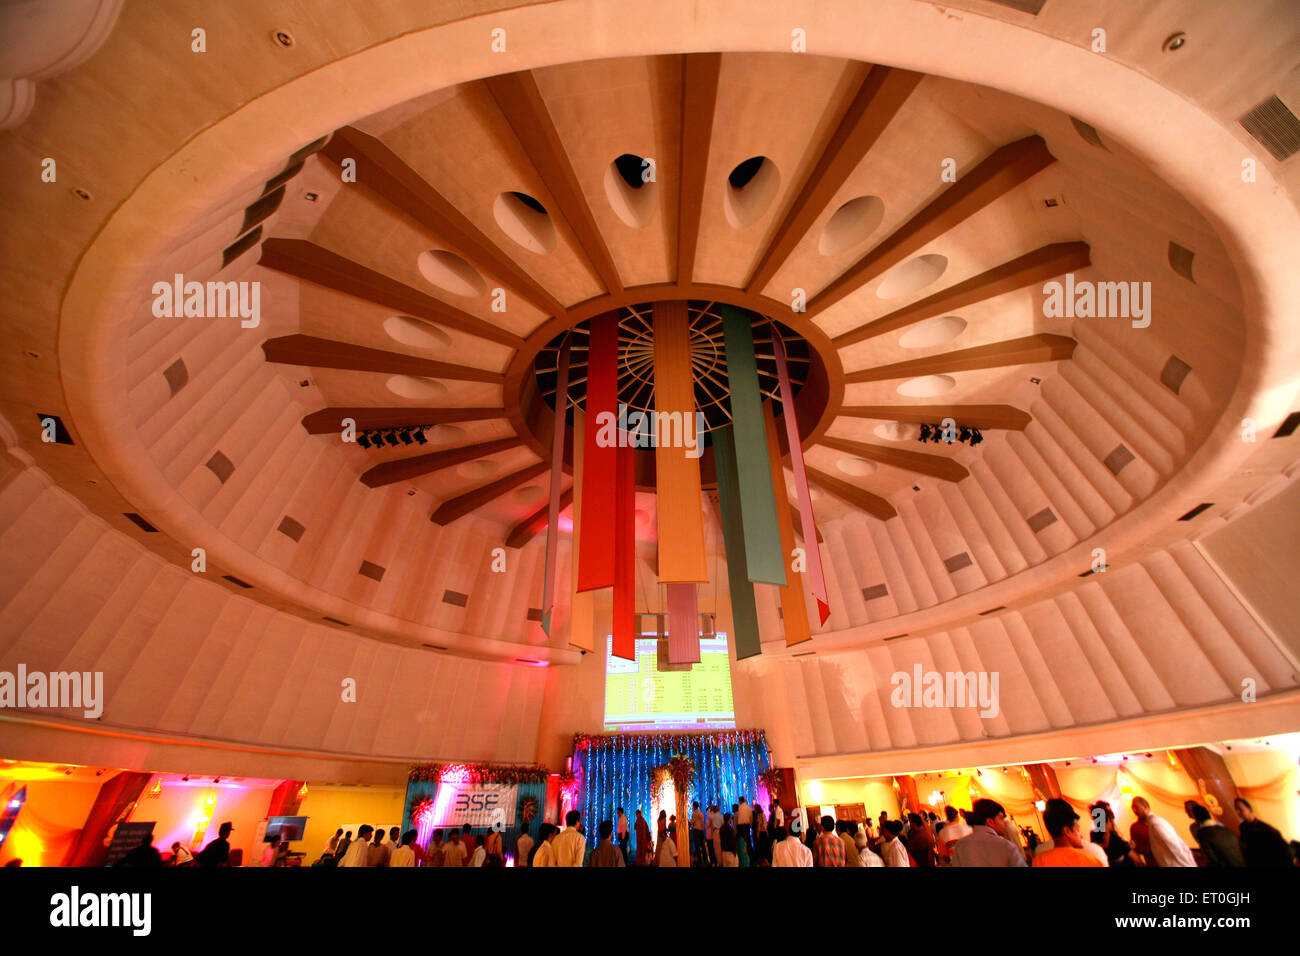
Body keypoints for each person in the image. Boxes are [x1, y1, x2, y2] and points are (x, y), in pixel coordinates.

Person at [950, 800, 1027, 867]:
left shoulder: (961, 846)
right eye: (1001, 818)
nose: (1004, 823)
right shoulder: (1007, 847)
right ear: (990, 822)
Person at [1032, 799, 1104, 867]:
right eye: (1078, 830)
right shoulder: (1091, 861)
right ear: (1067, 831)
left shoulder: (1039, 861)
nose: (1081, 836)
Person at [1131, 797, 1195, 867]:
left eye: (1136, 807)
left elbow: (1173, 845)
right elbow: (1137, 848)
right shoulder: (1135, 828)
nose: (1134, 810)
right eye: (1133, 808)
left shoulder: (1157, 823)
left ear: (1145, 806)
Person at [1233, 797, 1294, 867]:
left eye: (1240, 809)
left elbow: (1283, 850)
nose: (1238, 812)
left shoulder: (1266, 830)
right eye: (1236, 809)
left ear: (1249, 809)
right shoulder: (1243, 827)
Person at [1088, 801, 1138, 867]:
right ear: (1108, 821)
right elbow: (1137, 860)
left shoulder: (1093, 835)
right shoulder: (1113, 838)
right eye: (1111, 819)